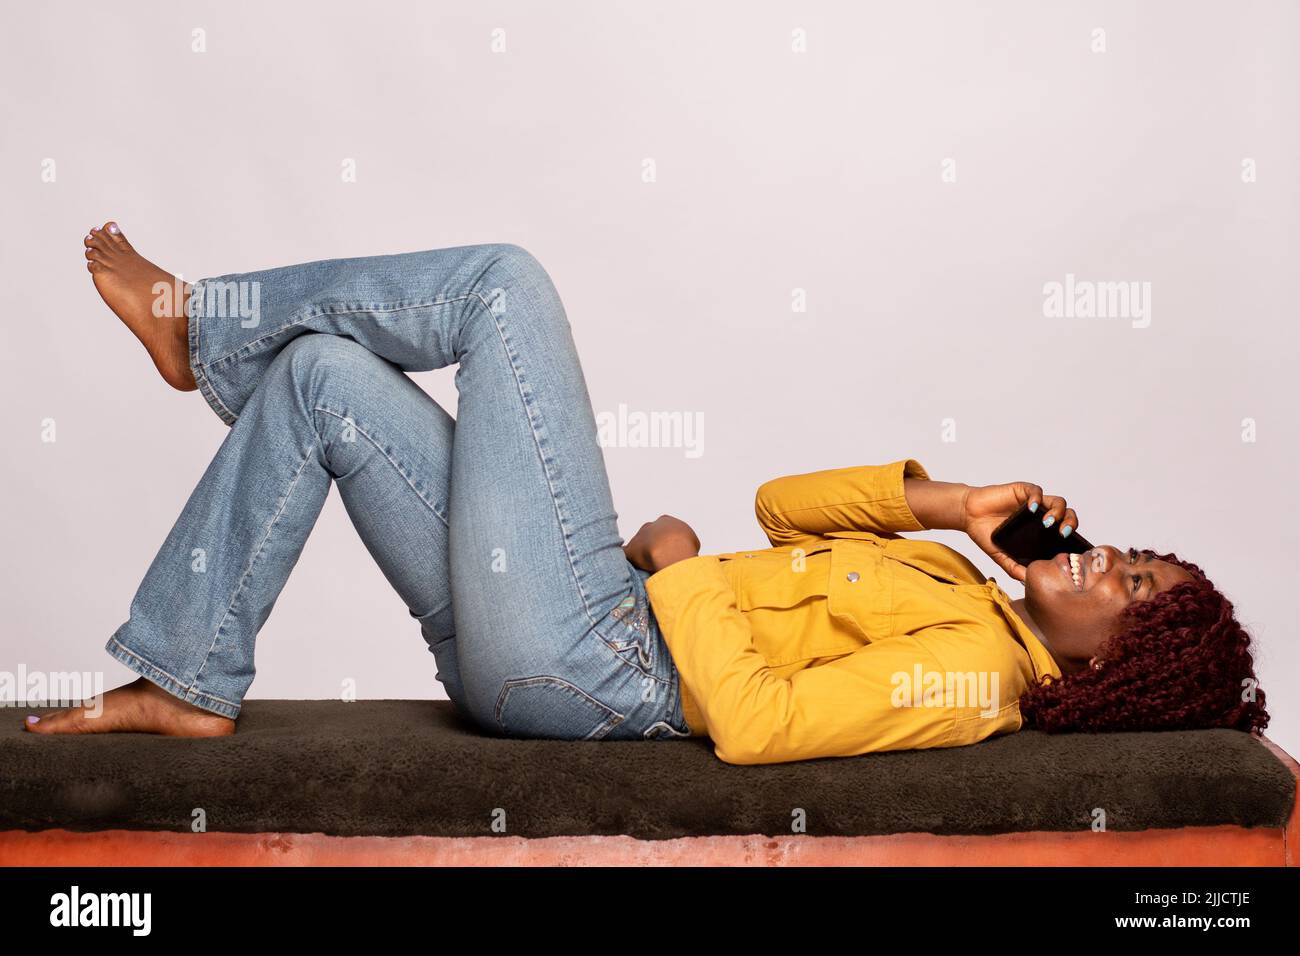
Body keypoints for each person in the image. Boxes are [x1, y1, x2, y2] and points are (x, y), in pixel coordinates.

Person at [25, 224, 1270, 766]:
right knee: (324, 381)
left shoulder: (974, 684)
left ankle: (203, 331)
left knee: (503, 284)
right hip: (575, 623)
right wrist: (946, 504)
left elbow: (766, 725)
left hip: (597, 656)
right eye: (1127, 552)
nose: (1104, 558)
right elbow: (782, 507)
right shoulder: (964, 589)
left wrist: (674, 573)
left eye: (1133, 585)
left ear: (1119, 665)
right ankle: (189, 675)